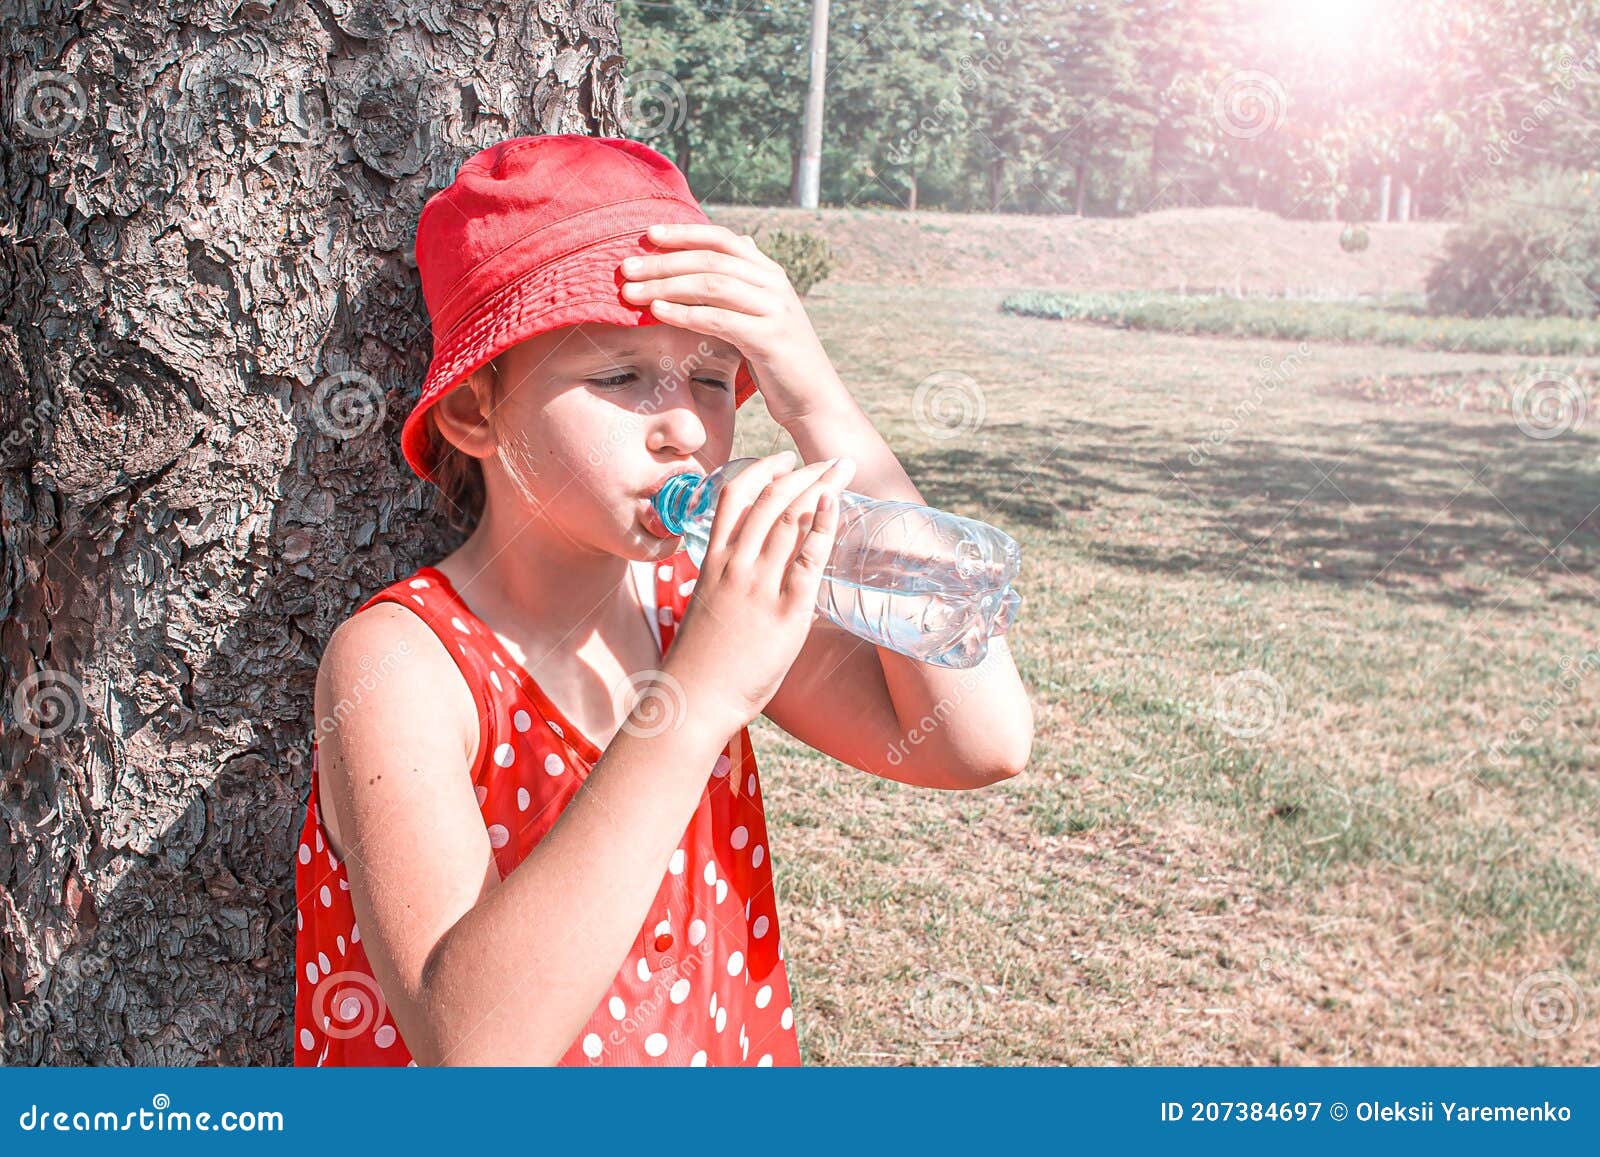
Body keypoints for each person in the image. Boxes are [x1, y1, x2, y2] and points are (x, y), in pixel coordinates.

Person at [292, 134, 1033, 1067]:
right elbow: (471, 1049)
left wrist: (816, 398)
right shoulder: (402, 665)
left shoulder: (695, 599)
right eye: (620, 375)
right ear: (476, 412)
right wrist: (701, 697)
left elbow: (983, 739)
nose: (686, 424)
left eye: (716, 380)